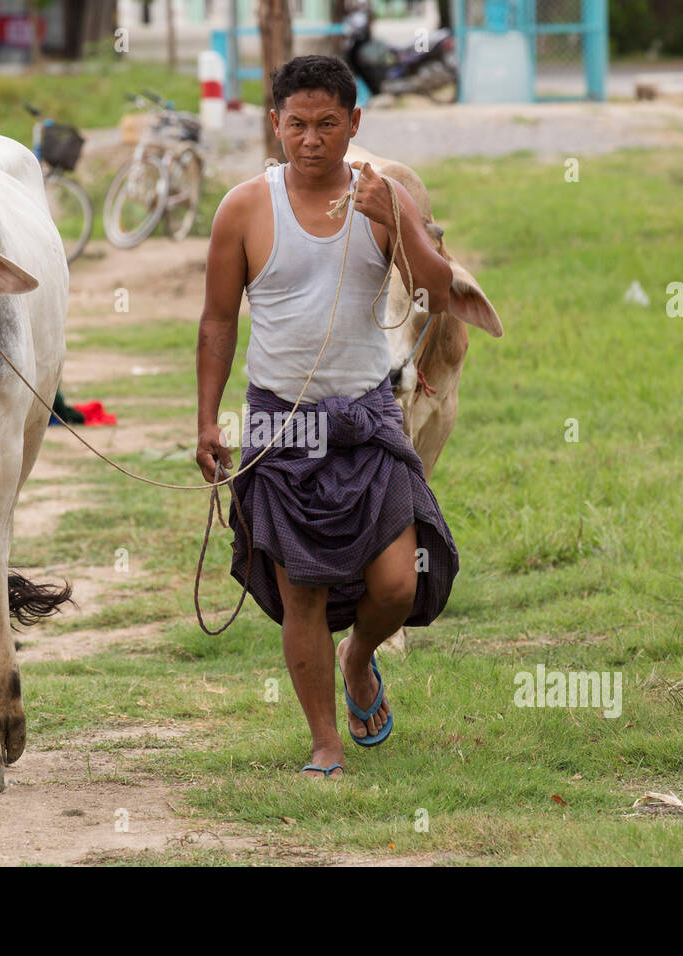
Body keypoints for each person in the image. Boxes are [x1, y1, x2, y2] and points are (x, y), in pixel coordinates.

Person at [195, 54, 459, 779]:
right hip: (282, 426)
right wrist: (207, 420)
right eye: (297, 124)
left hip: (368, 419)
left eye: (328, 124)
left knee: (398, 584)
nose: (311, 140)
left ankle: (361, 657)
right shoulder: (244, 208)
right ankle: (324, 742)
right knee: (301, 589)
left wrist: (400, 219)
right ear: (274, 123)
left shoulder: (381, 200)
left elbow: (437, 289)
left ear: (354, 125)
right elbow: (218, 321)